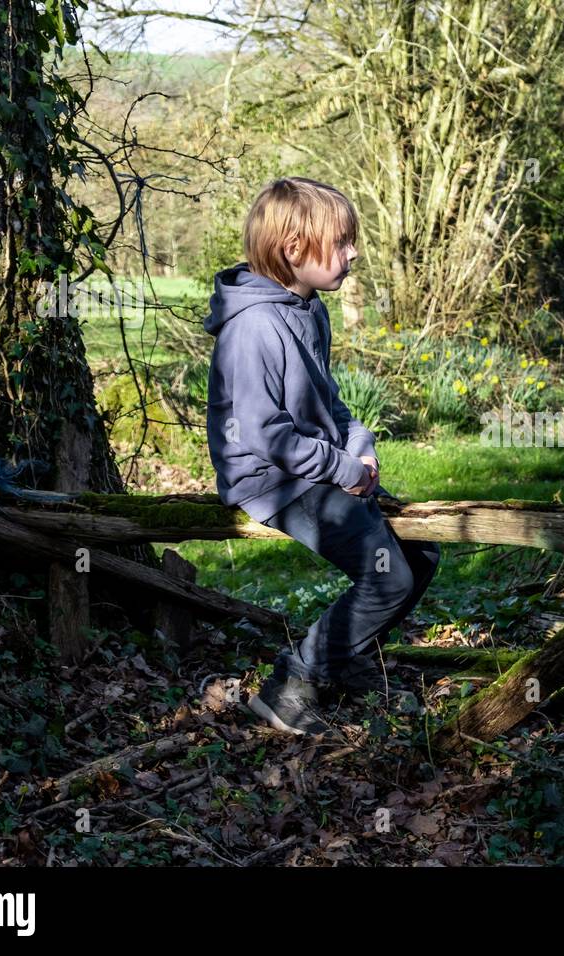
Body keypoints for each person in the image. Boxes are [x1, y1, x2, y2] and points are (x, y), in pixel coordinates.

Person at [203, 177, 440, 735]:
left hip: (315, 469)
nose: (354, 251)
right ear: (292, 249)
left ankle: (342, 661)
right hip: (270, 481)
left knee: (422, 553)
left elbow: (328, 403)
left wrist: (360, 445)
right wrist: (341, 470)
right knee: (389, 579)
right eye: (341, 241)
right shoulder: (255, 326)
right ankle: (291, 685)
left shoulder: (307, 309)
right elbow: (264, 434)